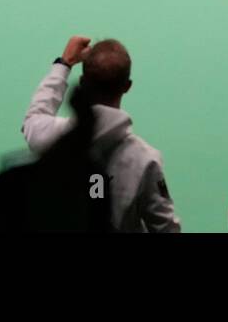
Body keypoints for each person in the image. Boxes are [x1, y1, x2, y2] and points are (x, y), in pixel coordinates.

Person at [22, 35, 180, 232]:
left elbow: (35, 116)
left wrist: (64, 63)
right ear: (127, 86)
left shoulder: (52, 138)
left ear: (82, 82)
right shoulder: (146, 160)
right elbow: (165, 228)